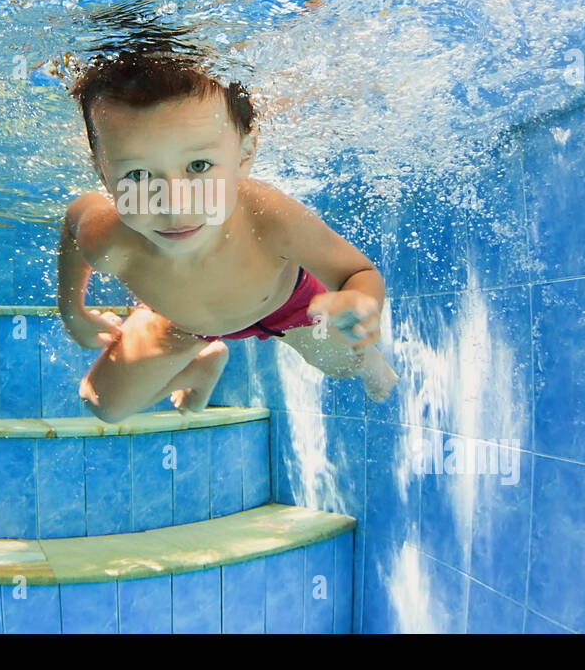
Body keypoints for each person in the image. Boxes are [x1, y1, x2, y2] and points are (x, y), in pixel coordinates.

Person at [57, 48, 398, 424]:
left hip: (290, 307)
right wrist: (73, 311)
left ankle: (371, 364)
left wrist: (362, 303)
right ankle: (200, 367)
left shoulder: (271, 218)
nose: (175, 207)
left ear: (244, 154)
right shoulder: (109, 240)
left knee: (345, 365)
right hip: (181, 321)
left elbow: (357, 272)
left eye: (198, 166)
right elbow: (75, 220)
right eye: (137, 175)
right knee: (101, 404)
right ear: (103, 173)